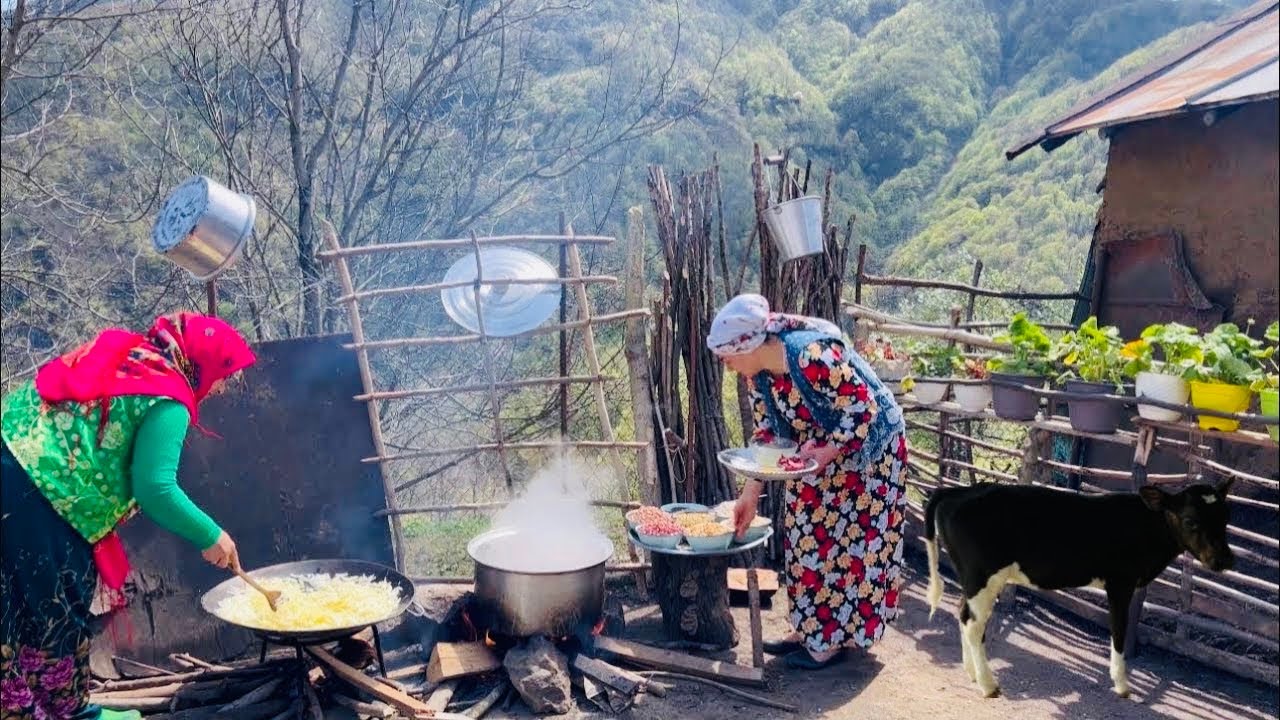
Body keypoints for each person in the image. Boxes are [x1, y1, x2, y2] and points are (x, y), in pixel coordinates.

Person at [1, 312, 256, 720]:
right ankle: (66, 713)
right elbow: (156, 489)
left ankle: (24, 708)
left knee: (10, 607)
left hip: (9, 455)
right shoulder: (169, 397)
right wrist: (212, 535)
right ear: (203, 363)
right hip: (42, 493)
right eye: (225, 374)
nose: (223, 388)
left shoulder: (135, 356)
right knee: (53, 616)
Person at [708, 294, 908, 670]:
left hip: (871, 453)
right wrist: (750, 492)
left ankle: (830, 642)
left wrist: (829, 452)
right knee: (805, 536)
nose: (729, 366)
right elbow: (768, 436)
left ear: (748, 344)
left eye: (728, 357)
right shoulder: (759, 377)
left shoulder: (810, 355)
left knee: (853, 548)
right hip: (818, 455)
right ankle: (811, 630)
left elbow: (864, 407)